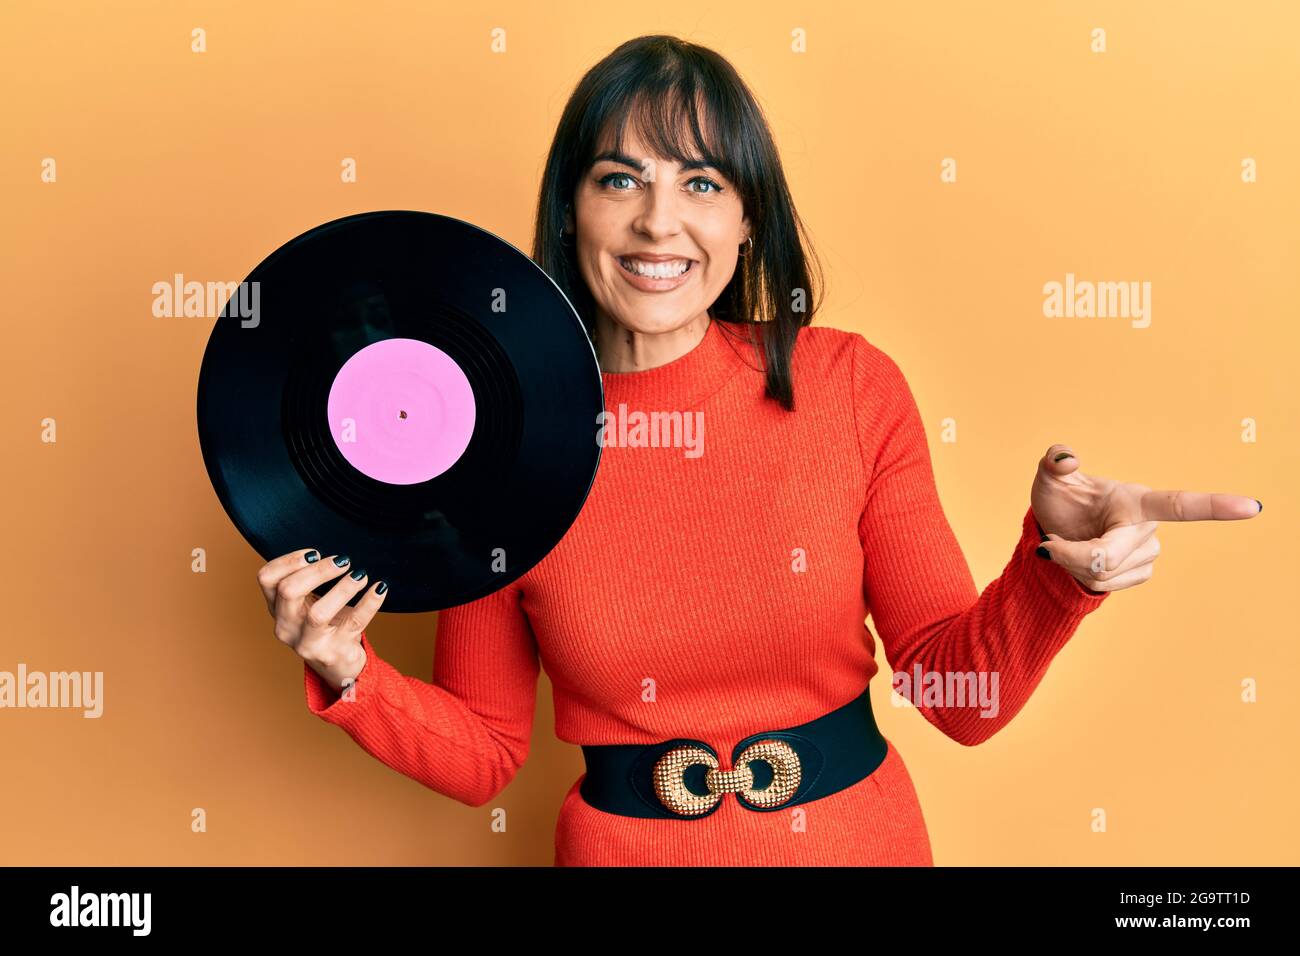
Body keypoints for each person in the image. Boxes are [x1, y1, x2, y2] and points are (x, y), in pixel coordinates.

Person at [255, 35, 1262, 866]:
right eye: (620, 178)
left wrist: (1051, 573)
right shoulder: (490, 444)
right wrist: (350, 669)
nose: (659, 220)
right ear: (571, 208)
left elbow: (960, 698)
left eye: (701, 181)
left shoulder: (849, 387)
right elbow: (484, 751)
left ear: (745, 220)